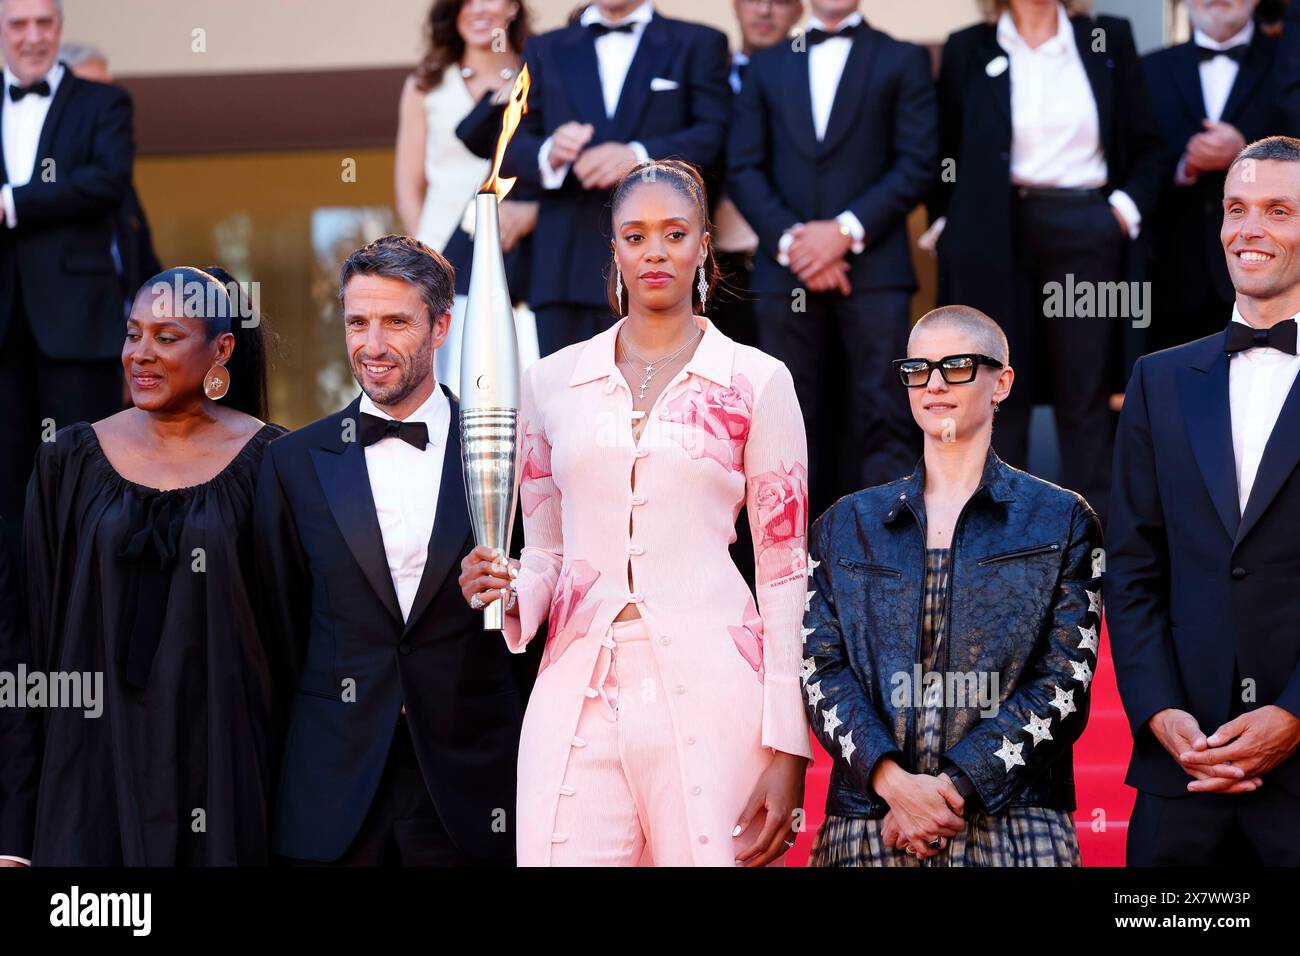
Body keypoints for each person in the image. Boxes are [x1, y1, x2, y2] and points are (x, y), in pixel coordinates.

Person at [459, 160, 812, 866]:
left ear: (704, 245)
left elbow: (784, 571)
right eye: (636, 235)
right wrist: (506, 588)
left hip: (717, 683)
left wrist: (789, 746)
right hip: (574, 684)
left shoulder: (756, 380)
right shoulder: (551, 381)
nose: (655, 251)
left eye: (675, 233)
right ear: (614, 249)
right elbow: (547, 552)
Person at [254, 235, 522, 866]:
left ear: (441, 326)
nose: (371, 346)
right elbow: (276, 633)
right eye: (357, 322)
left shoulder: (508, 454)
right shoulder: (292, 463)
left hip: (474, 787)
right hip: (332, 791)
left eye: (396, 321)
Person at [2, 267, 282, 866]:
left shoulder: (276, 465)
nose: (141, 355)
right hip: (87, 778)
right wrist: (14, 829)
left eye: (167, 336)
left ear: (221, 350)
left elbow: (299, 645)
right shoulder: (66, 462)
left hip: (228, 781)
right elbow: (23, 644)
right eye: (133, 334)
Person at [803, 305, 1102, 867]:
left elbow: (1064, 681)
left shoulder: (1061, 518)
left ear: (1002, 383)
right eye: (918, 368)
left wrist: (950, 792)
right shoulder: (847, 524)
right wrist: (895, 786)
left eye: (958, 365)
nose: (935, 383)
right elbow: (820, 668)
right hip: (872, 818)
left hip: (1012, 818)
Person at [1109, 136, 1300, 866]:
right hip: (1179, 776)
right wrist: (1160, 713)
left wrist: (1292, 715)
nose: (1248, 230)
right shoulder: (1158, 380)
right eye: (1236, 209)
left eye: (1277, 211)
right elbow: (1131, 568)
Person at [929, 0, 1166, 524]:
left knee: (1084, 396)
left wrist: (1118, 216)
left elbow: (1148, 146)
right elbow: (943, 152)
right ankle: (995, 545)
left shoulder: (1107, 37)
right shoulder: (970, 45)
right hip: (993, 236)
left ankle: (1091, 559)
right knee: (992, 390)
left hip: (1086, 229)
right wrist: (953, 225)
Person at [727, 0, 936, 518]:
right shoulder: (766, 65)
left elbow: (918, 160)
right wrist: (797, 242)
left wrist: (843, 232)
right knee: (787, 420)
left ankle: (886, 566)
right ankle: (791, 567)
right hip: (785, 272)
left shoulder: (901, 58)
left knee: (885, 414)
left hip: (876, 268)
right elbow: (743, 165)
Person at [502, 0, 731, 356]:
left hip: (661, 268)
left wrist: (639, 157)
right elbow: (513, 144)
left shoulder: (699, 42)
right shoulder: (544, 48)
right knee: (565, 399)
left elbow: (715, 133)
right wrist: (551, 151)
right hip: (564, 263)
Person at [0, 0, 134, 569]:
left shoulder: (103, 102)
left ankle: (89, 642)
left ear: (60, 26)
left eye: (44, 23)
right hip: (3, 331)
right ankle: (11, 652)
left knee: (86, 485)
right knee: (6, 499)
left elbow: (107, 180)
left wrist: (13, 202)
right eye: (18, 24)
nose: (33, 37)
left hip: (78, 326)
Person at [395, 0, 539, 397]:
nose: (477, 10)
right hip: (442, 251)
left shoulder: (538, 73)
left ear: (512, 7)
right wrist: (424, 255)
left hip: (519, 253)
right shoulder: (426, 84)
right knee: (453, 376)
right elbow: (409, 185)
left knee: (521, 374)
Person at [1144, 0, 1297, 353]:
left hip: (1276, 278)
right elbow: (1134, 160)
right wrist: (1185, 164)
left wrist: (1246, 153)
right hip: (1172, 279)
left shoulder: (1289, 65)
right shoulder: (1147, 68)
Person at [708, 0, 803, 351]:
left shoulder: (815, 79)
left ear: (799, 10)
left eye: (780, 1)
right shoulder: (708, 73)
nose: (764, 11)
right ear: (735, 6)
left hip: (790, 260)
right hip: (714, 262)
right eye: (753, 0)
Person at [60, 41, 163, 324]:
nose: (104, 105)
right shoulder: (41, 185)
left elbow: (146, 269)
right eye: (93, 91)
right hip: (63, 342)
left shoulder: (120, 188)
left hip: (121, 343)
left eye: (108, 91)